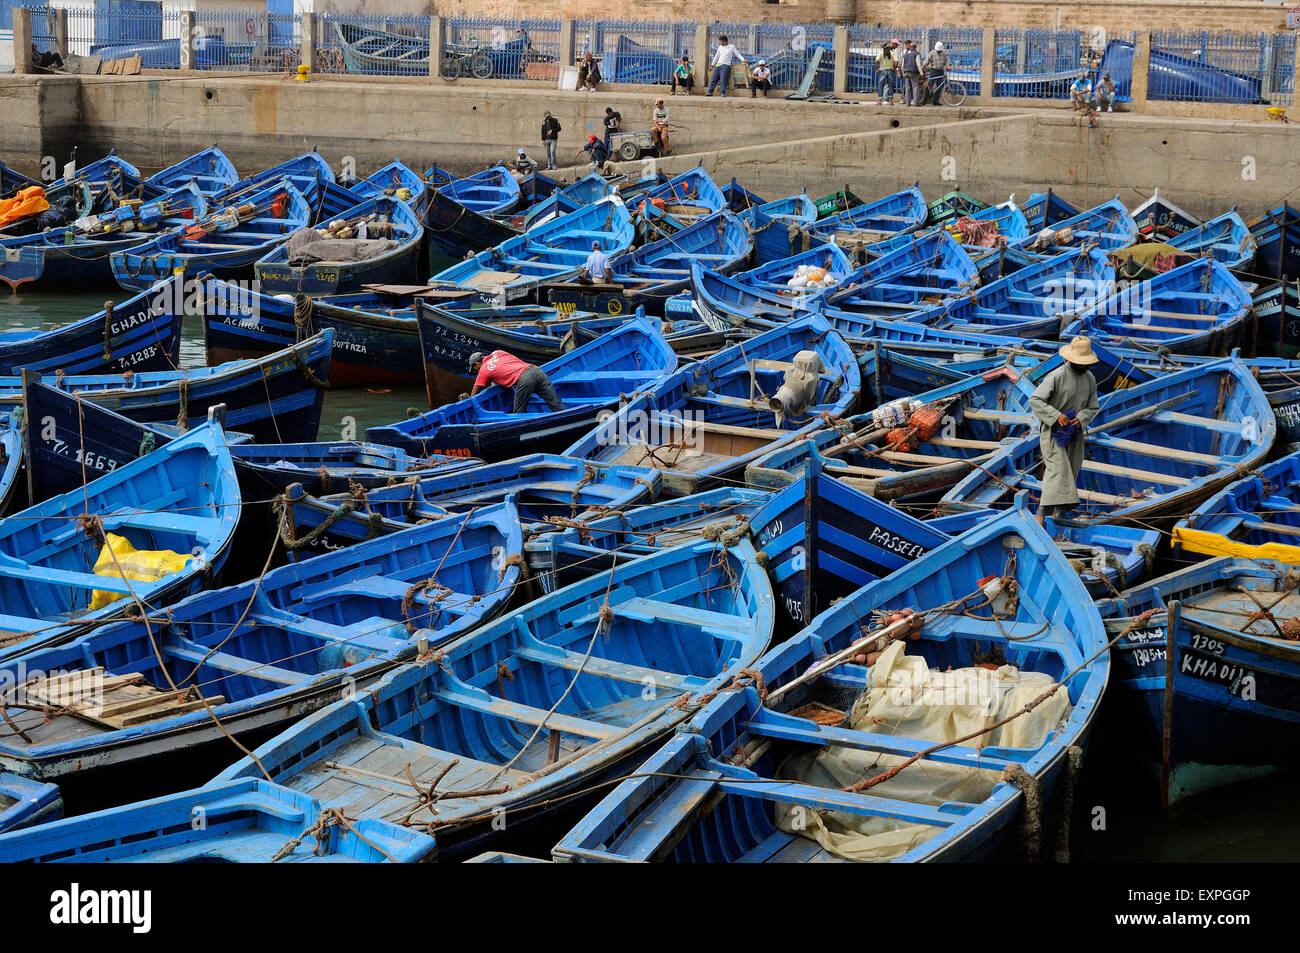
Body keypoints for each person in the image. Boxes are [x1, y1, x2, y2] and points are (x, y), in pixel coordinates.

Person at [1028, 336, 1100, 526]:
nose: (1083, 365)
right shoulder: (1057, 376)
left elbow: (1093, 407)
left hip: (1074, 433)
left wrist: (1081, 419)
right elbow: (1035, 400)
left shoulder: (1090, 378)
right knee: (1058, 472)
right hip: (1054, 432)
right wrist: (1055, 416)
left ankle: (1057, 516)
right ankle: (1040, 515)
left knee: (1071, 471)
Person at [468, 350, 564, 414]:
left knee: (519, 412)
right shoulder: (497, 352)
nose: (476, 371)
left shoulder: (484, 370)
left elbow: (477, 387)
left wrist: (470, 402)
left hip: (524, 379)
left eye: (475, 368)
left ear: (477, 363)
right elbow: (507, 364)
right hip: (536, 371)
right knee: (556, 404)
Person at [877, 39, 901, 104]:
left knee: (881, 85)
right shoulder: (893, 52)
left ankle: (880, 100)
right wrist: (894, 69)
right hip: (890, 70)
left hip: (883, 69)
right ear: (893, 44)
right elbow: (896, 62)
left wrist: (877, 69)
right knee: (890, 85)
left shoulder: (883, 51)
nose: (897, 46)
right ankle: (889, 100)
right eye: (896, 45)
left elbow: (876, 61)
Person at [901, 39, 923, 107]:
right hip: (913, 73)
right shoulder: (916, 54)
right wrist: (921, 73)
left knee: (908, 88)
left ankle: (908, 102)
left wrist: (903, 73)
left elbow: (902, 64)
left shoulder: (905, 54)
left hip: (906, 72)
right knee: (915, 87)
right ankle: (916, 102)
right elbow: (918, 65)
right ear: (916, 47)